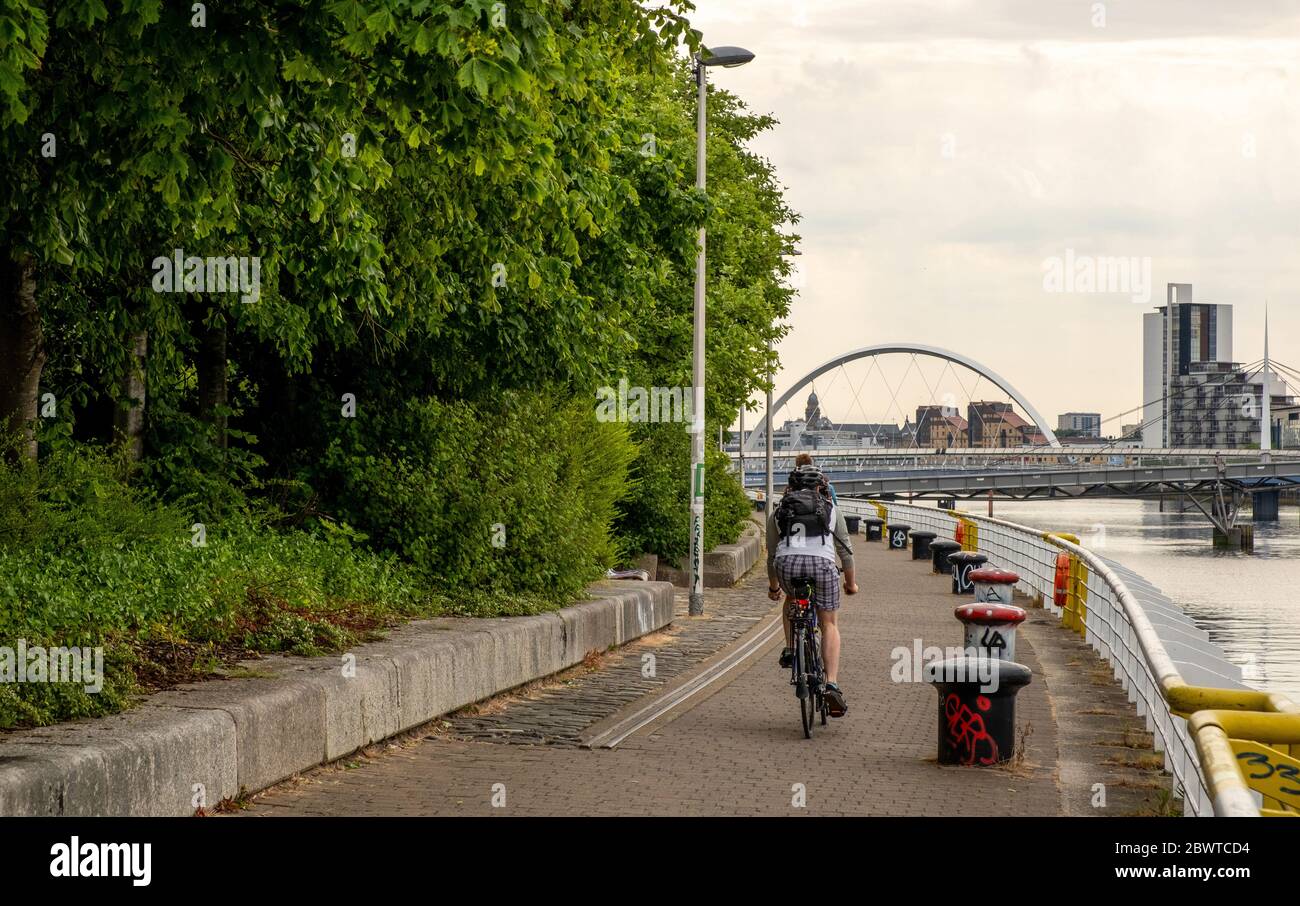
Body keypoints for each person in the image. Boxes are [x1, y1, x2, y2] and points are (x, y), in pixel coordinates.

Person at [766, 463, 858, 716]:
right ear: (821, 487)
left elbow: (771, 555)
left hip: (787, 566)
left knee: (790, 597)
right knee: (829, 623)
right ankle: (832, 683)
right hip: (822, 566)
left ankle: (790, 649)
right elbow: (846, 554)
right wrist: (850, 584)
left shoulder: (778, 512)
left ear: (790, 487)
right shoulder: (831, 509)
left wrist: (774, 588)